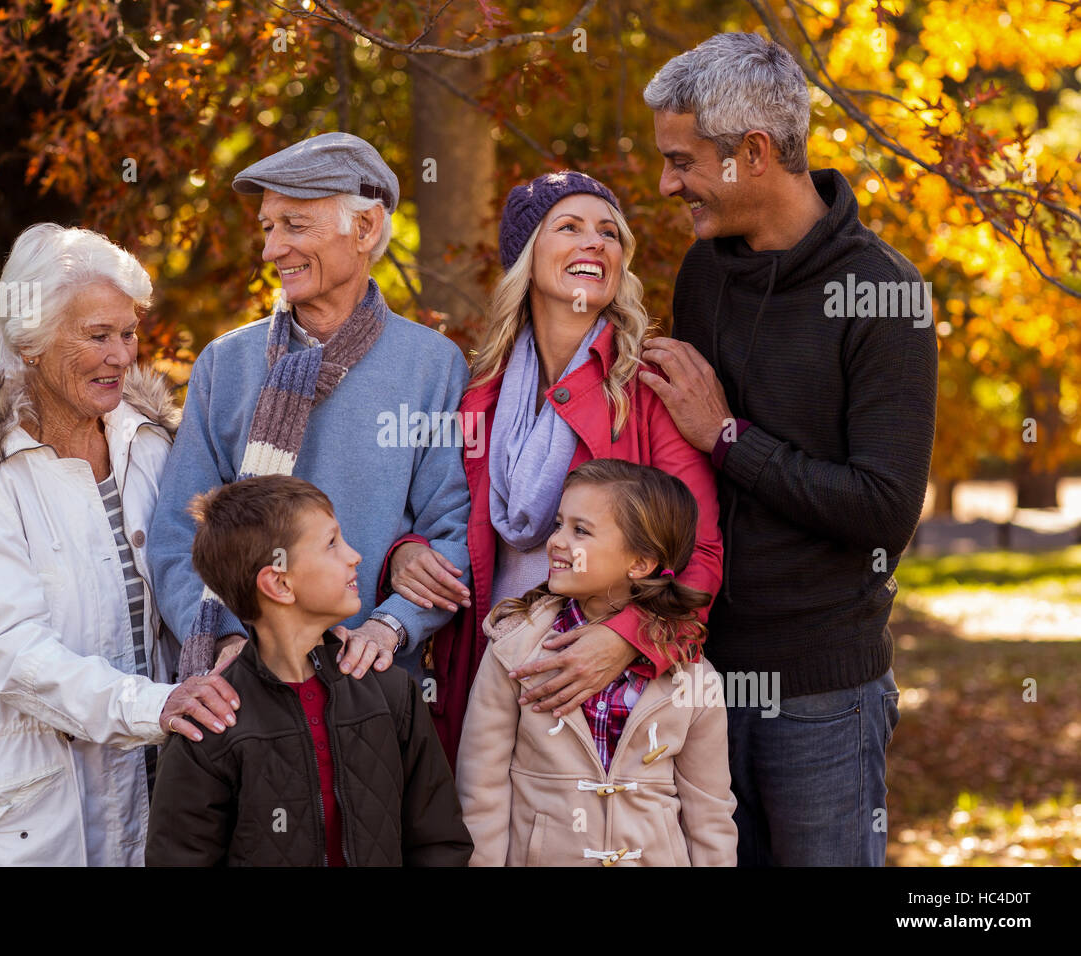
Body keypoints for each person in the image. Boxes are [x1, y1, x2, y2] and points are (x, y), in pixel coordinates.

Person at [640, 32, 937, 866]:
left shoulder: (885, 292)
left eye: (682, 160)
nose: (668, 185)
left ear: (754, 153)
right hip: (696, 677)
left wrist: (728, 436)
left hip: (822, 693)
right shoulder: (702, 275)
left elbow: (883, 509)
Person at [0, 224, 240, 866]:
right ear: (30, 343)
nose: (122, 355)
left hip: (156, 789)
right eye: (97, 336)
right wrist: (156, 704)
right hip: (25, 818)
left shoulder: (151, 446)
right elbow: (13, 653)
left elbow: (189, 579)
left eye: (129, 333)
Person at [382, 170, 723, 768]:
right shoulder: (478, 395)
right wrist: (406, 553)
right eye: (570, 227)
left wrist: (626, 640)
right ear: (527, 258)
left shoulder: (648, 389)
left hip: (612, 689)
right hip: (491, 672)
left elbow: (701, 556)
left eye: (609, 233)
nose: (595, 242)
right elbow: (437, 518)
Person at [148, 132, 471, 698]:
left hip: (377, 688)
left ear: (365, 228)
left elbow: (453, 529)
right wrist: (227, 642)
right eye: (269, 228)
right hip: (245, 690)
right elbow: (179, 534)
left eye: (295, 226)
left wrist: (390, 625)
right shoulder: (227, 364)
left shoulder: (431, 365)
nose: (273, 250)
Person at [145, 475, 472, 866]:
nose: (354, 556)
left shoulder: (392, 694)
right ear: (280, 583)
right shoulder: (209, 723)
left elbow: (439, 843)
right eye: (331, 544)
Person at [456, 460, 736, 866]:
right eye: (558, 524)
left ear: (639, 563)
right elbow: (481, 791)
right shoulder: (512, 651)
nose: (556, 541)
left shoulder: (692, 676)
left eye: (580, 530)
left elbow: (710, 811)